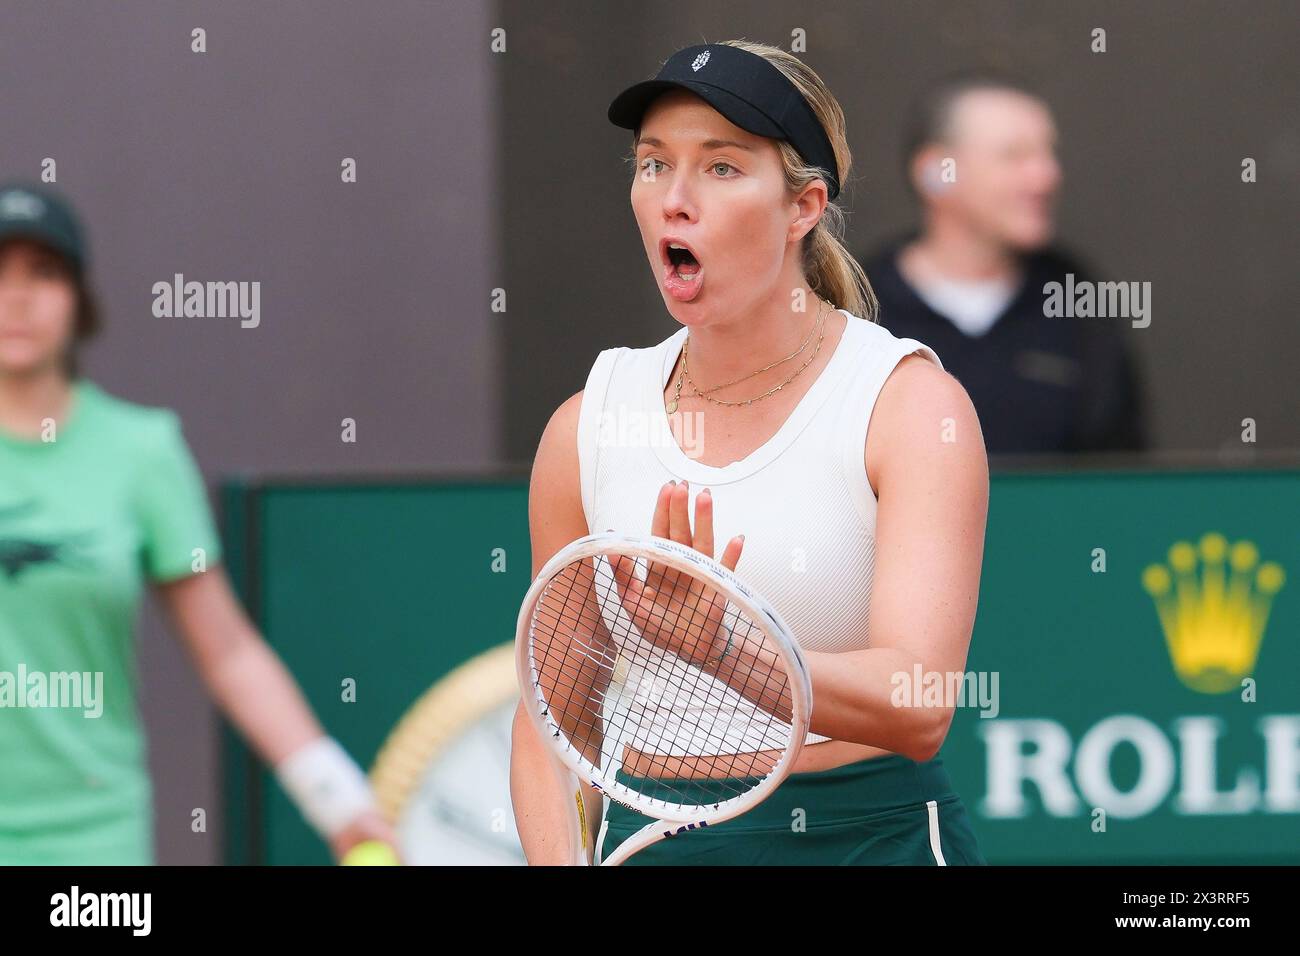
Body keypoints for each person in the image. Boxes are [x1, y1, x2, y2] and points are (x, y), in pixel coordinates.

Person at [510, 42, 989, 865]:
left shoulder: (910, 408)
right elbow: (553, 722)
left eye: (722, 168)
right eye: (653, 164)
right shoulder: (587, 427)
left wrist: (730, 651)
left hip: (869, 839)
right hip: (651, 836)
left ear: (803, 205)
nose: (675, 199)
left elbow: (921, 705)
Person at [0, 182, 396, 864]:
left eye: (44, 272)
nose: (18, 297)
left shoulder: (141, 452)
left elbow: (230, 653)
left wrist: (338, 799)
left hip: (92, 841)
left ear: (78, 298)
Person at [861, 72, 1147, 455]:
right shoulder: (860, 307)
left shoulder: (1077, 302)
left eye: (1048, 154)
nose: (1046, 176)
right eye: (1014, 155)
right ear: (935, 173)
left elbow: (1122, 473)